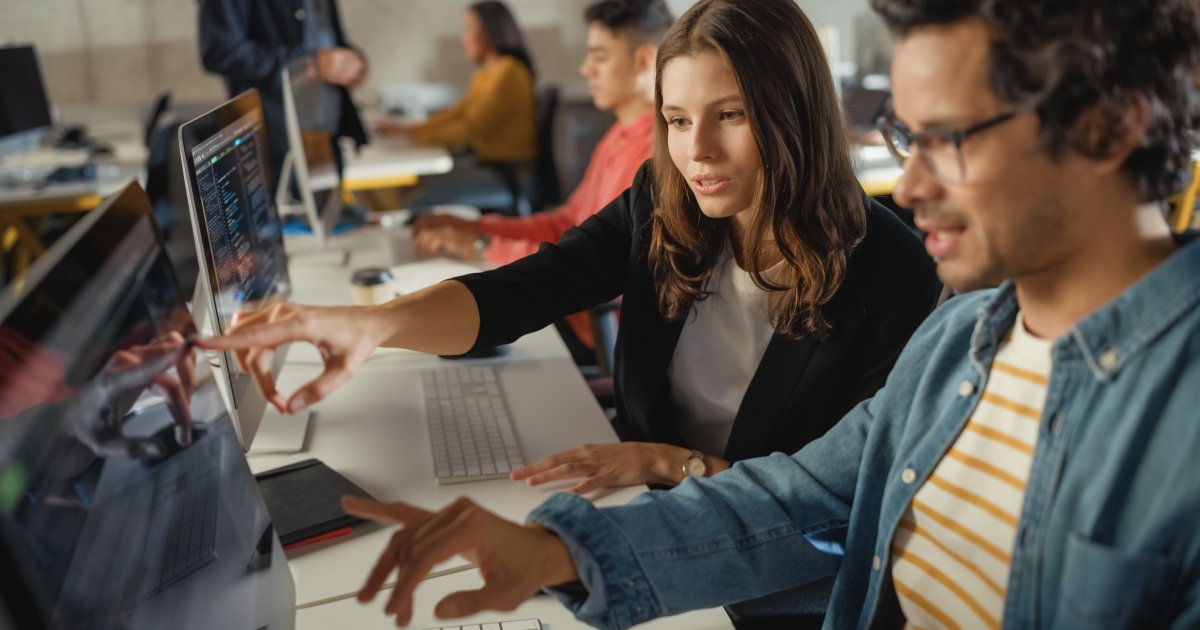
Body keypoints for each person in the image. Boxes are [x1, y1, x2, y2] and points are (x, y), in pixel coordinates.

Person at [320, 0, 1199, 626]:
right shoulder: (963, 341)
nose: (916, 183)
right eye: (909, 138)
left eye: (951, 139)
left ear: (1109, 126)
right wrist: (556, 552)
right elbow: (803, 499)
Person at [203, 0, 938, 624]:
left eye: (732, 115)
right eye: (677, 120)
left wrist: (664, 463)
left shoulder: (894, 274)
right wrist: (373, 325)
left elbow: (837, 515)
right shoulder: (666, 200)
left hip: (756, 592)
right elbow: (530, 288)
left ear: (796, 113)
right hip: (634, 522)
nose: (697, 150)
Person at [411, 0, 671, 351]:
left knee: (444, 325)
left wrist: (480, 244)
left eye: (599, 56)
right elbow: (566, 224)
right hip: (570, 304)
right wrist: (477, 228)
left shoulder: (653, 158)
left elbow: (593, 268)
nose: (584, 68)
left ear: (642, 61)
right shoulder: (617, 136)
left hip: (592, 325)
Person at [377, 1, 537, 213]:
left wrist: (415, 136)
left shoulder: (508, 73)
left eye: (468, 29)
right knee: (411, 187)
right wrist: (409, 130)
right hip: (489, 167)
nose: (464, 38)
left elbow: (471, 128)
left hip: (508, 176)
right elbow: (455, 114)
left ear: (490, 30)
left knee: (413, 199)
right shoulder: (484, 74)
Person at [197, 0, 369, 182]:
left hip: (325, 135)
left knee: (330, 207)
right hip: (277, 142)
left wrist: (350, 63)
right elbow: (219, 51)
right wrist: (309, 64)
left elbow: (323, 33)